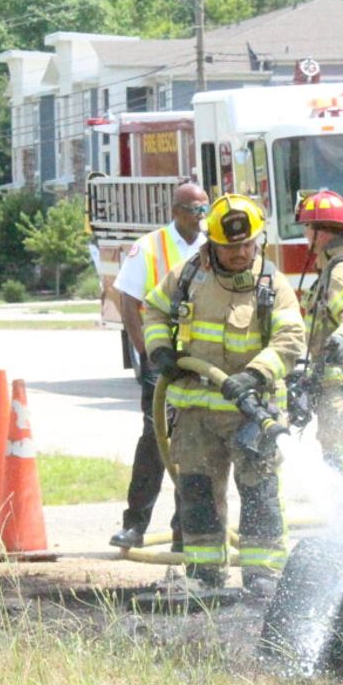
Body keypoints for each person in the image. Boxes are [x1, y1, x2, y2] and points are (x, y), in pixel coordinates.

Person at [142, 194, 306, 594]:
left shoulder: (271, 283)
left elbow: (291, 337)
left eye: (248, 245)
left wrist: (255, 374)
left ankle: (263, 575)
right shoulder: (187, 277)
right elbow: (154, 311)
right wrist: (161, 349)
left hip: (253, 414)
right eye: (231, 247)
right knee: (196, 494)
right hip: (195, 413)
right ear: (212, 242)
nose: (240, 253)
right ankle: (205, 575)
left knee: (260, 494)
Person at [109, 183, 209, 552]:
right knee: (154, 441)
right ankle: (134, 525)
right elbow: (129, 301)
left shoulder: (211, 247)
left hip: (201, 360)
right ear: (176, 211)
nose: (201, 218)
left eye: (204, 210)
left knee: (194, 442)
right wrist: (147, 353)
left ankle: (185, 530)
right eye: (194, 210)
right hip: (161, 359)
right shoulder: (149, 248)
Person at [295, 189, 343, 473]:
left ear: (321, 233)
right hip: (334, 380)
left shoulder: (341, 271)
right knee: (337, 444)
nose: (306, 236)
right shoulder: (336, 265)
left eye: (307, 228)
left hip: (342, 382)